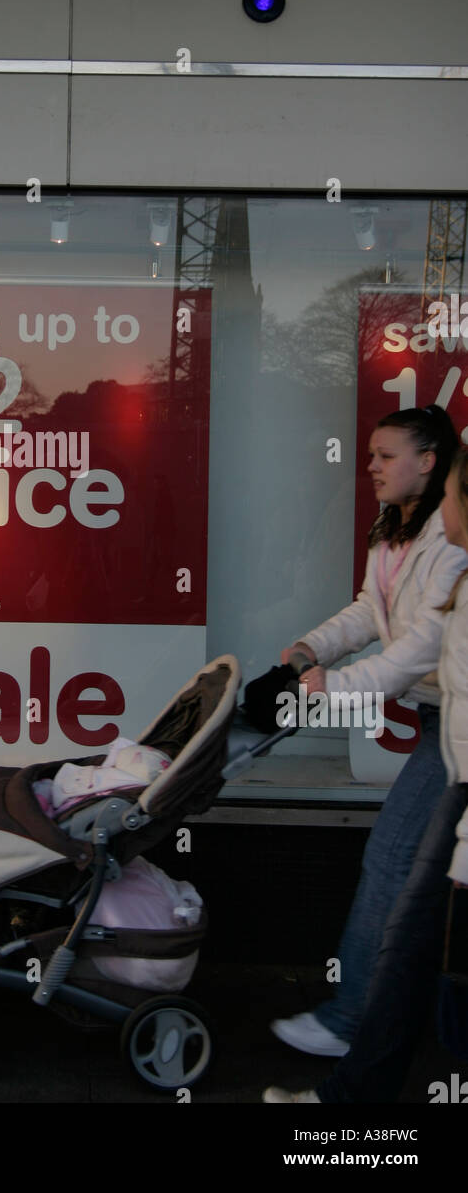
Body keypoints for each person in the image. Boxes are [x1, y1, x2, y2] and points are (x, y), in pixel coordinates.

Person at [264, 445, 468, 1102]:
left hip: (457, 761)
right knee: (410, 920)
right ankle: (357, 1076)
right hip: (455, 755)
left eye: (386, 454)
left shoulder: (451, 566)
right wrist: (315, 653)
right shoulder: (406, 542)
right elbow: (382, 627)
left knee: (407, 911)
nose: (371, 465)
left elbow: (410, 659)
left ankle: (355, 1042)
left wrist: (330, 692)